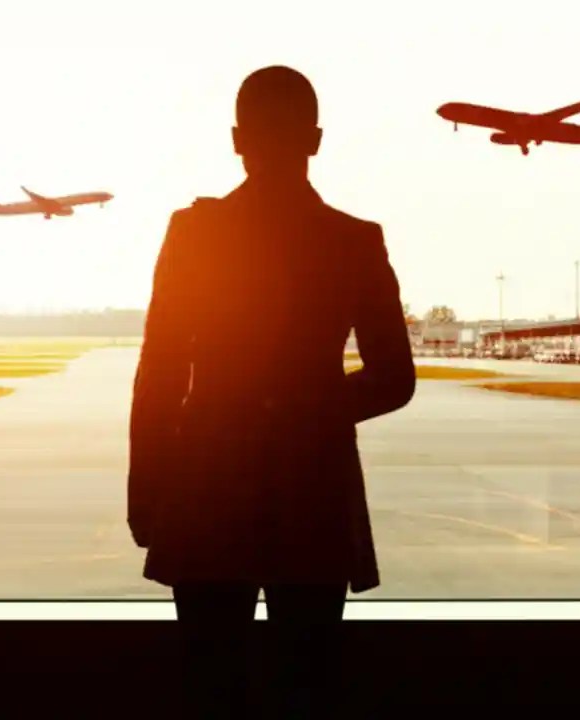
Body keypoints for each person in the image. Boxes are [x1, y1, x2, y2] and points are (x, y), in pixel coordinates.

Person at [128, 65, 416, 718]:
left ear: (237, 140)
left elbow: (160, 371)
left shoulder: (194, 233)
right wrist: (308, 411)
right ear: (316, 140)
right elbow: (394, 379)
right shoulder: (355, 240)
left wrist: (146, 488)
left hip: (205, 487)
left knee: (211, 687)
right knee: (309, 687)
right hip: (314, 490)